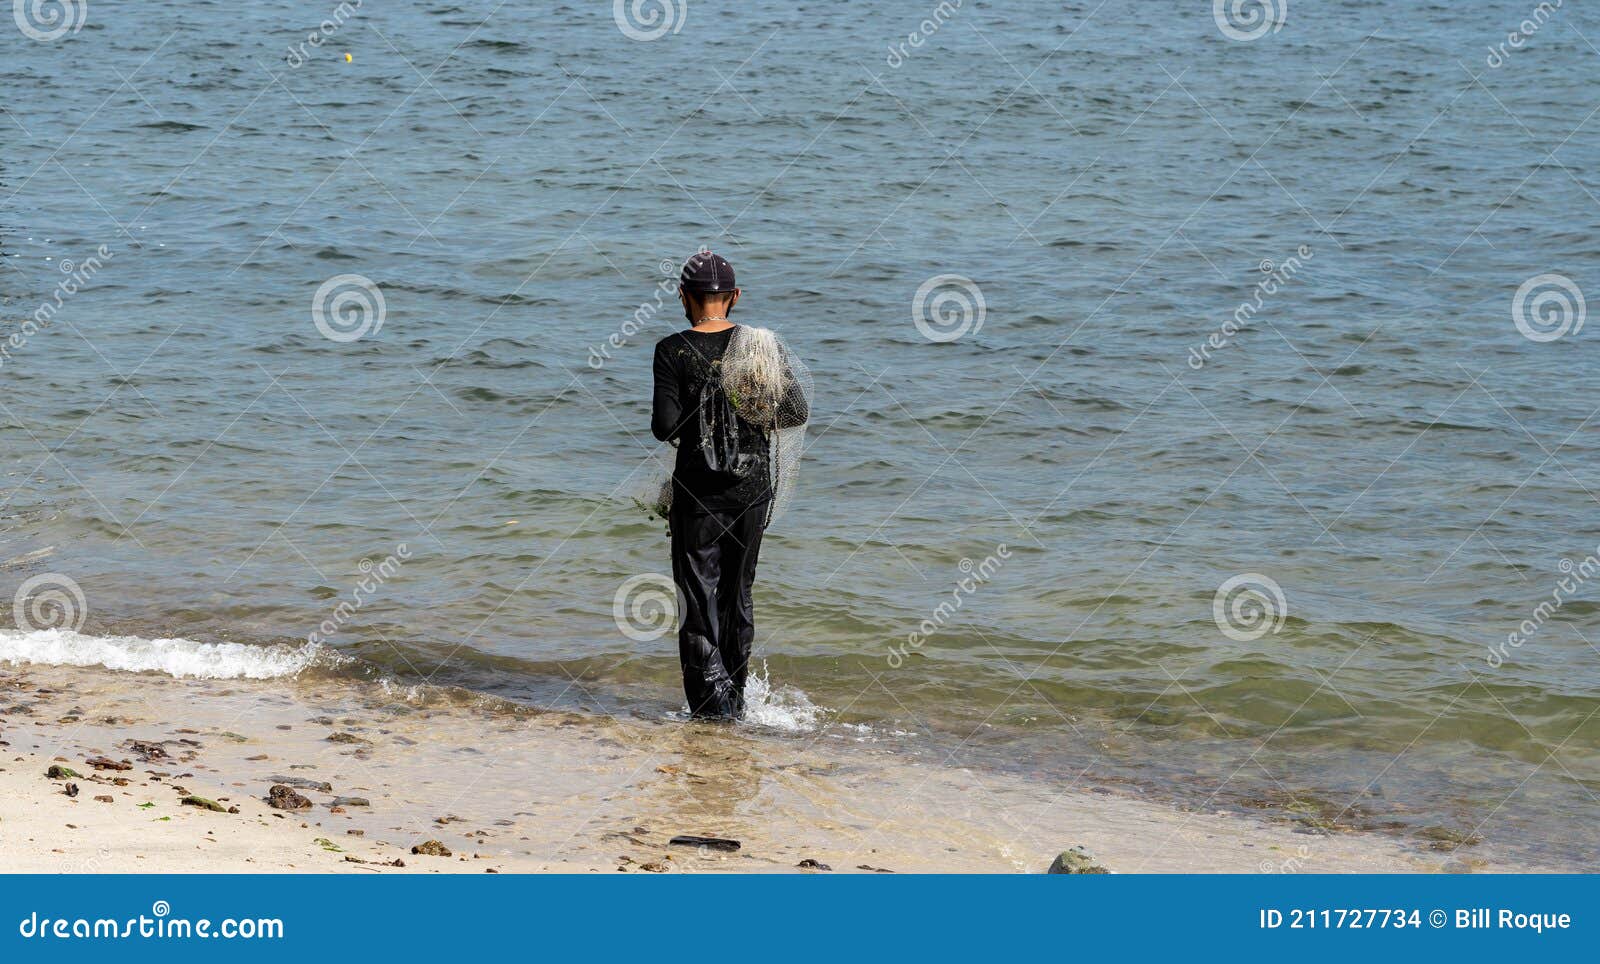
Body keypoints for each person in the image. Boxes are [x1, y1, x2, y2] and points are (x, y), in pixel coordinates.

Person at [649, 251, 807, 719]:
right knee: (738, 598)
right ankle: (734, 708)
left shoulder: (671, 349)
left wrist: (704, 404)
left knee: (698, 604)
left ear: (683, 297)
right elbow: (794, 413)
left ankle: (710, 717)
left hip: (697, 498)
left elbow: (664, 426)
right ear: (734, 297)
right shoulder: (761, 348)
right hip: (753, 492)